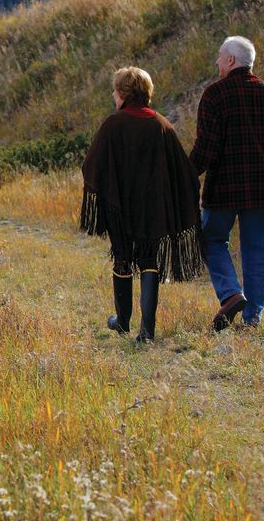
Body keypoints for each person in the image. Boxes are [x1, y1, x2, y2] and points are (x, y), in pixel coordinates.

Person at [80, 67, 203, 342]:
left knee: (123, 258)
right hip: (153, 208)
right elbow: (184, 171)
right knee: (150, 261)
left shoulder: (113, 125)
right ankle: (146, 330)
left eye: (115, 90)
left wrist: (104, 195)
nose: (113, 95)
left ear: (123, 93)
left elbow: (91, 166)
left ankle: (122, 321)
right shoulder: (161, 125)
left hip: (120, 207)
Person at [189, 36, 264, 331]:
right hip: (262, 188)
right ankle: (252, 317)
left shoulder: (214, 95)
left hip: (224, 189)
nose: (216, 62)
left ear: (231, 60)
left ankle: (230, 294)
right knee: (258, 252)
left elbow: (207, 148)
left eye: (219, 57)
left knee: (210, 239)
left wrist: (184, 176)